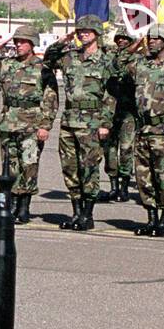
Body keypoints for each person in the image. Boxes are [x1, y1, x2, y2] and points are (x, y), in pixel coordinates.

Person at [43, 15, 118, 231]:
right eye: (80, 31)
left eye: (87, 31)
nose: (82, 34)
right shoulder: (70, 58)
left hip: (92, 122)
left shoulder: (105, 61)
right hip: (69, 120)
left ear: (96, 34)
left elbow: (111, 94)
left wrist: (105, 123)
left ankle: (88, 215)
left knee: (89, 169)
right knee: (70, 168)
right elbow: (48, 58)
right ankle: (76, 213)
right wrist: (64, 39)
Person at [0, 23, 57, 226]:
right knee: (9, 165)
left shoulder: (43, 69)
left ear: (32, 44)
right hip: (9, 122)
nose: (19, 45)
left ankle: (24, 207)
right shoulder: (6, 64)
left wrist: (45, 126)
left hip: (32, 124)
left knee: (29, 165)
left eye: (23, 41)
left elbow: (50, 99)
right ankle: (11, 204)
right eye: (17, 41)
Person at [120, 27, 164, 236]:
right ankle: (151, 220)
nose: (151, 42)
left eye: (156, 39)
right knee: (144, 177)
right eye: (149, 39)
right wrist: (136, 42)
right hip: (144, 129)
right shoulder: (142, 65)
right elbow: (117, 63)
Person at [104, 26, 138, 202]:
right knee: (109, 149)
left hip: (128, 111)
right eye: (119, 38)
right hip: (109, 110)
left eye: (125, 39)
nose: (121, 41)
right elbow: (113, 69)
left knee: (126, 148)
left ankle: (124, 186)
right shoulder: (110, 56)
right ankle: (113, 186)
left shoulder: (138, 59)